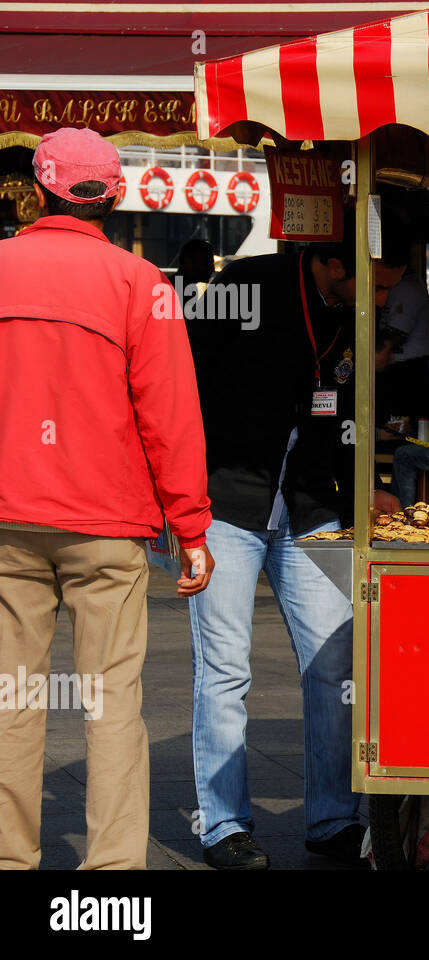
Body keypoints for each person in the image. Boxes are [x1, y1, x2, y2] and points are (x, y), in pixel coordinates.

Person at [0, 127, 214, 870]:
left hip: (7, 518)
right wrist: (191, 525)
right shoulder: (141, 284)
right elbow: (171, 413)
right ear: (113, 196)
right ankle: (114, 872)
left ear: (38, 192)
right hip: (106, 526)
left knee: (10, 700)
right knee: (110, 700)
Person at [185, 208, 406, 870]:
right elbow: (177, 380)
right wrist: (176, 491)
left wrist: (363, 484)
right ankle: (223, 824)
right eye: (377, 286)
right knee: (224, 668)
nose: (385, 302)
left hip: (312, 507)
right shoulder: (246, 284)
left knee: (334, 664)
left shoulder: (352, 319)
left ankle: (333, 816)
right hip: (224, 500)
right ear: (333, 264)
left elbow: (347, 409)